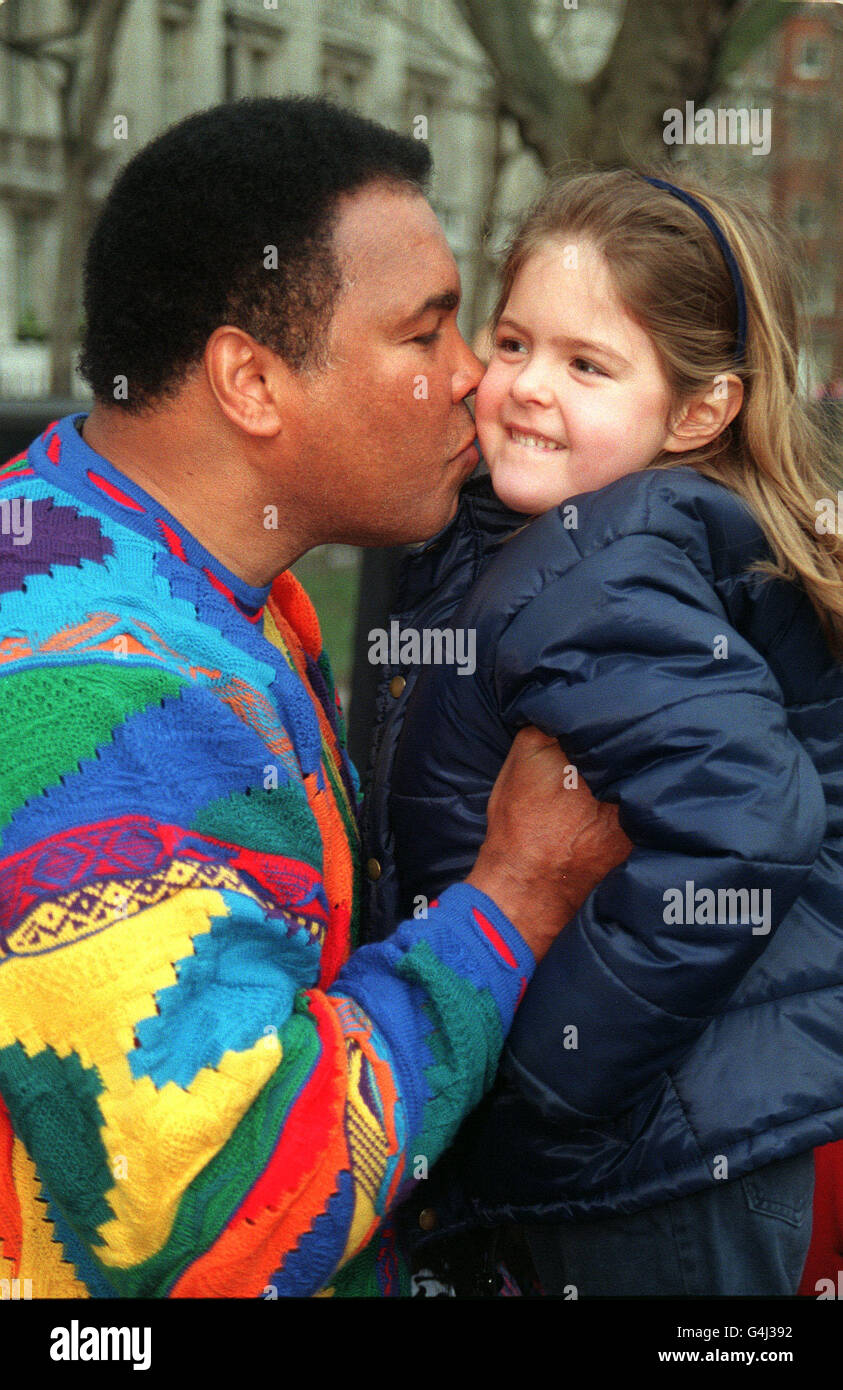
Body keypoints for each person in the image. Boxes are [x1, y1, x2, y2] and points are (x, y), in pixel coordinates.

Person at [0, 100, 631, 1299]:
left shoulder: (138, 556)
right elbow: (215, 1214)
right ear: (251, 378)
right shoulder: (106, 702)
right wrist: (515, 899)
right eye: (426, 335)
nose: (473, 379)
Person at [362, 168, 843, 1296]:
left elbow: (746, 831)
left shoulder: (614, 556)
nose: (529, 387)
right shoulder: (536, 537)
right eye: (516, 342)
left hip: (661, 1168)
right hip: (655, 1146)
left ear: (698, 411)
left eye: (588, 366)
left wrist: (548, 1074)